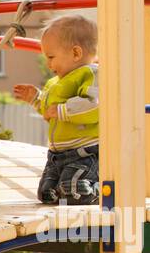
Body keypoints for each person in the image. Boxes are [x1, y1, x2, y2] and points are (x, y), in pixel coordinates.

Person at [12, 14, 99, 205]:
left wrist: (62, 110)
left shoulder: (90, 74)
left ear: (76, 53)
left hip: (84, 153)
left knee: (75, 193)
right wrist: (35, 98)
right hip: (56, 157)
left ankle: (98, 187)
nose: (48, 64)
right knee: (46, 194)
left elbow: (94, 105)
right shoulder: (56, 82)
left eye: (51, 57)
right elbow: (48, 111)